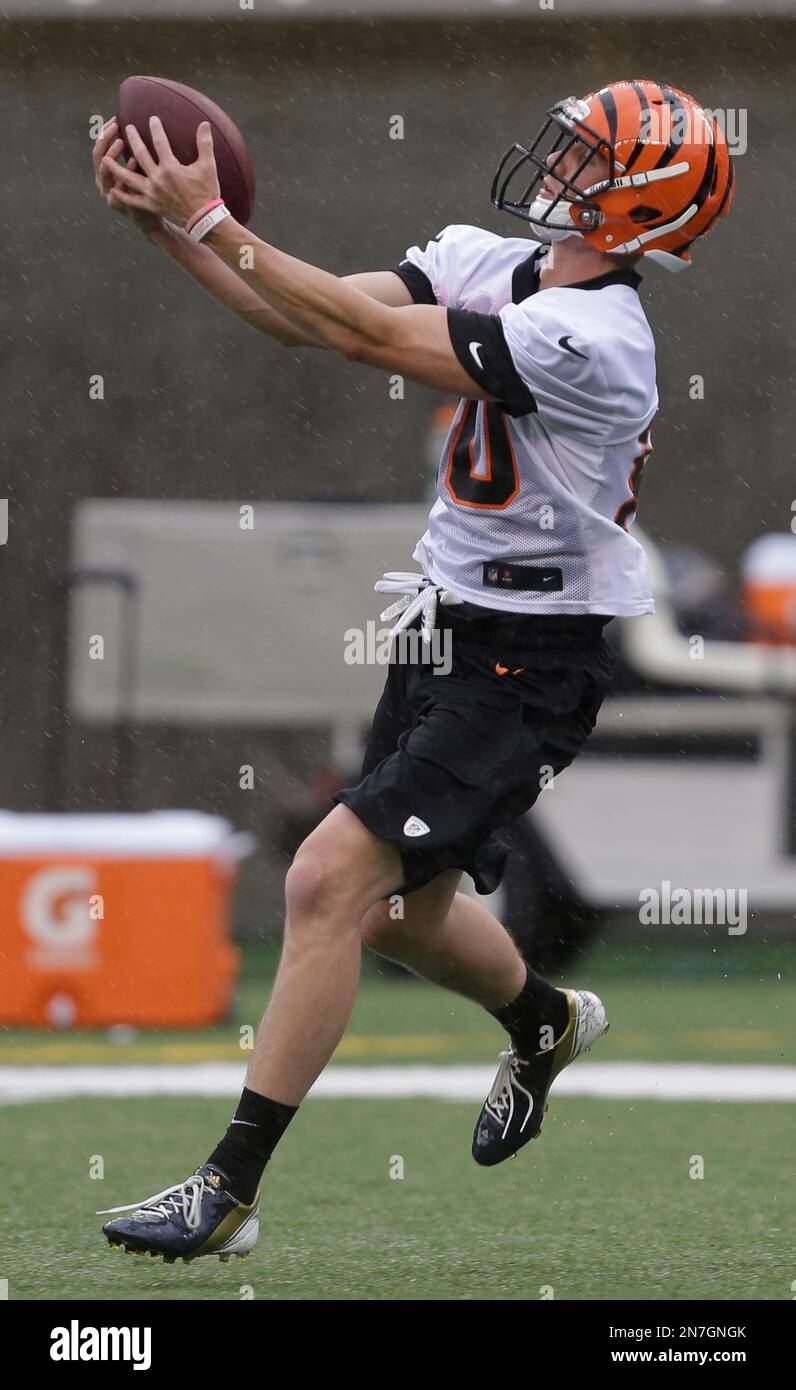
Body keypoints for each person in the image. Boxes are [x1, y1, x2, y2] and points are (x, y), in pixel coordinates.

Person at [93, 79, 734, 1262]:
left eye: (592, 160)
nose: (562, 168)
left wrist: (213, 221)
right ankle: (542, 1021)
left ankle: (227, 1189)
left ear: (641, 207)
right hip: (441, 622)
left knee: (323, 881)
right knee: (392, 915)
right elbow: (305, 315)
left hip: (527, 658)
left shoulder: (600, 339)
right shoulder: (496, 261)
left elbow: (358, 333)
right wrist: (172, 232)